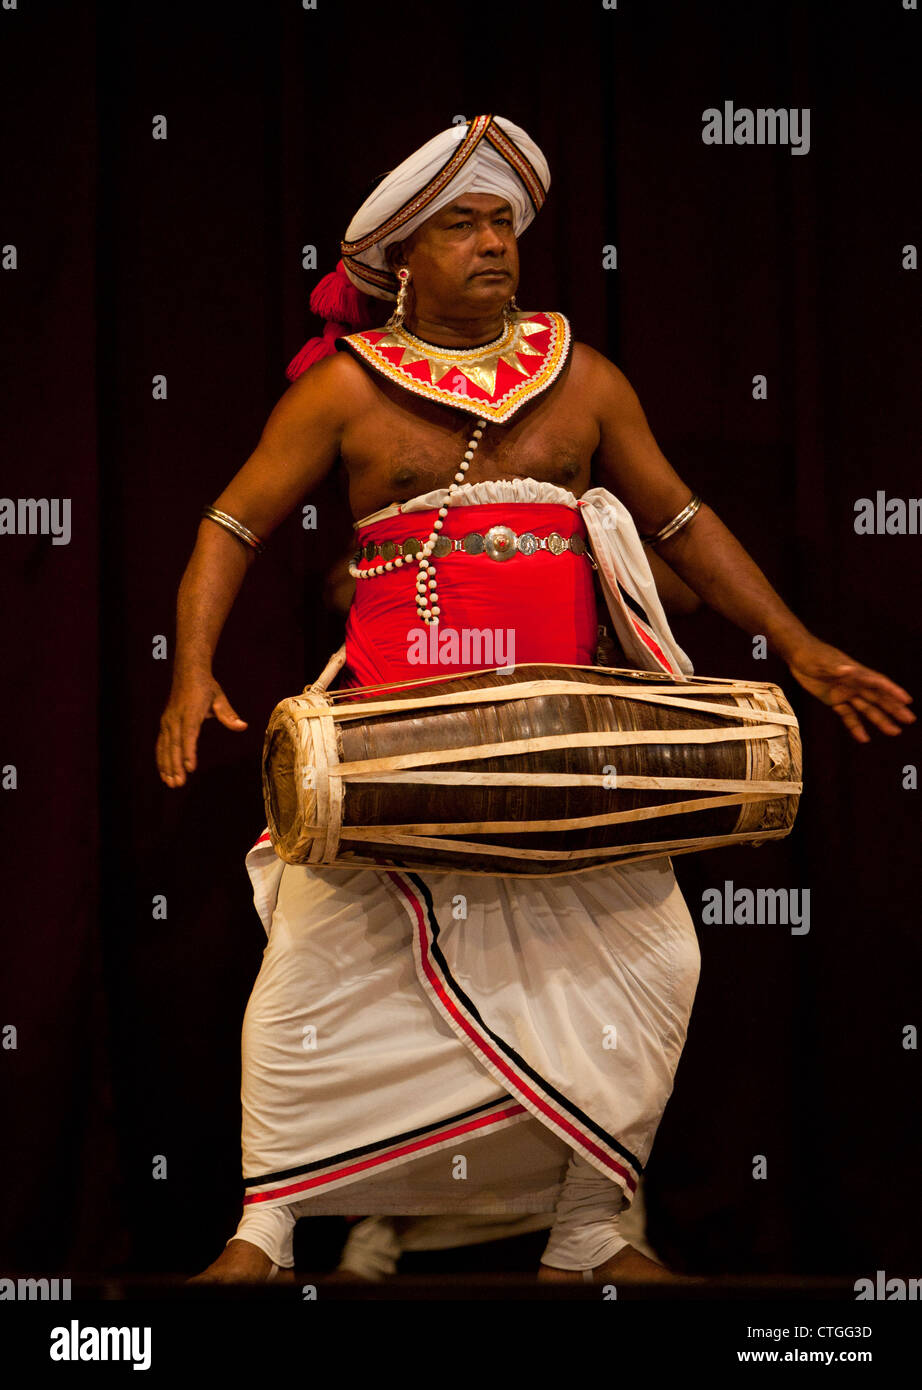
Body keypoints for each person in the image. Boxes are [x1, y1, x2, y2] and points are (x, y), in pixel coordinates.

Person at [157, 116, 914, 1285]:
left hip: (569, 747)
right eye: (458, 225)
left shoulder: (585, 380)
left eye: (501, 221)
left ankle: (591, 1234)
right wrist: (189, 672)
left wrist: (802, 648)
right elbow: (228, 524)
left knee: (647, 964)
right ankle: (263, 1229)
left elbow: (680, 523)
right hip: (398, 749)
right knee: (312, 972)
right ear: (399, 260)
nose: (490, 243)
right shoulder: (347, 394)